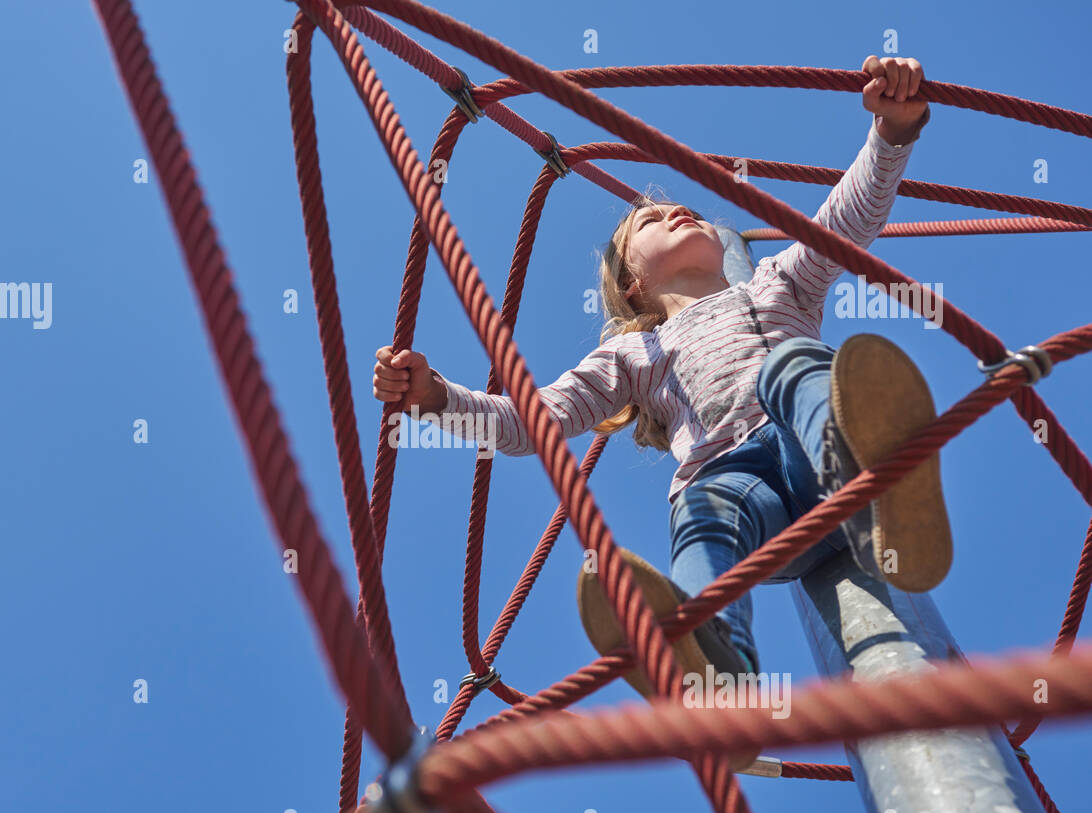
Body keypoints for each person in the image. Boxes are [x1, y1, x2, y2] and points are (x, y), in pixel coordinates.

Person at [370, 56, 947, 770]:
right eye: (648, 219)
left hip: (822, 464)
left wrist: (892, 131)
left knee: (795, 366)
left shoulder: (777, 283)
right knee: (699, 510)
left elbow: (848, 216)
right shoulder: (635, 354)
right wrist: (438, 399)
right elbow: (533, 421)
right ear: (633, 284)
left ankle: (878, 490)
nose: (680, 209)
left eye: (689, 209)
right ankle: (719, 675)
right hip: (747, 495)